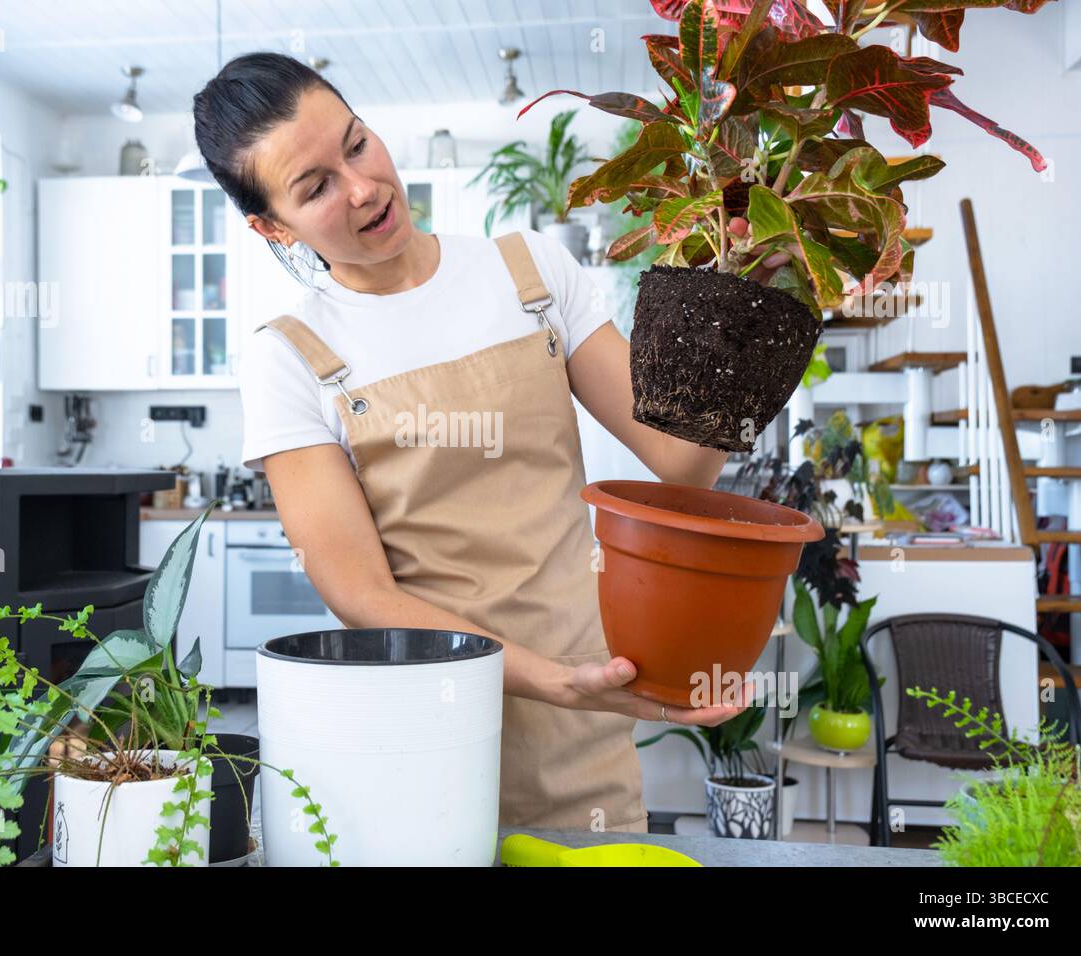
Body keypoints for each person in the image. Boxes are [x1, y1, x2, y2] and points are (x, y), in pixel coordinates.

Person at [193, 52, 755, 833]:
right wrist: (553, 680)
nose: (363, 189)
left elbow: (677, 461)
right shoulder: (290, 355)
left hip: (583, 725)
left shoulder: (529, 272)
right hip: (424, 736)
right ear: (270, 226)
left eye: (356, 145)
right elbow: (363, 595)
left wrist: (748, 299)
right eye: (315, 187)